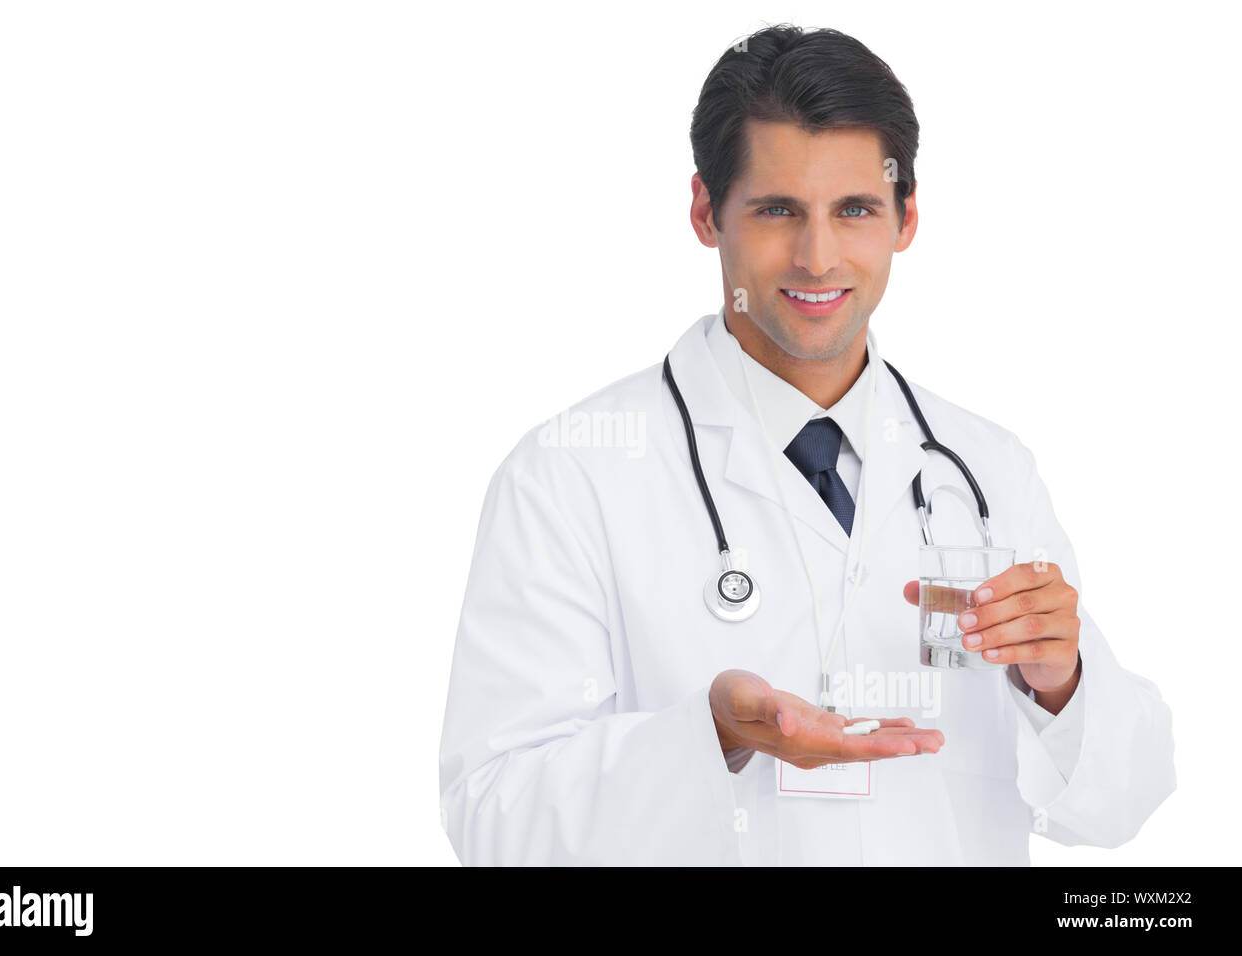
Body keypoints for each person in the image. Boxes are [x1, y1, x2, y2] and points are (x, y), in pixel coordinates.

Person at [437, 24, 1175, 865]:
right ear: (705, 212)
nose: (818, 257)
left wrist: (1061, 685)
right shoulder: (570, 475)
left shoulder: (987, 470)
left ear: (907, 218)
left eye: (854, 209)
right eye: (777, 209)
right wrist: (709, 739)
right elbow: (492, 817)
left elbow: (1123, 805)